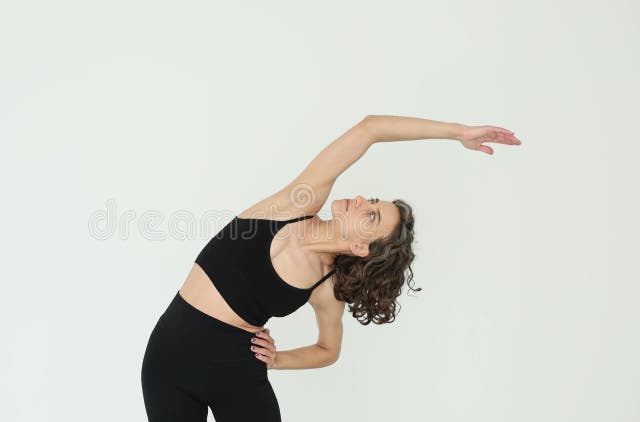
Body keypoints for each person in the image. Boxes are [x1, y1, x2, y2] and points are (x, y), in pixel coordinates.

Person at [140, 114, 521, 421]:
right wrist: (458, 133)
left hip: (236, 373)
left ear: (359, 247)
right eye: (372, 200)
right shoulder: (293, 204)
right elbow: (370, 128)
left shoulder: (326, 287)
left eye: (370, 215)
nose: (359, 200)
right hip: (169, 357)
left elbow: (328, 349)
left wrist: (278, 360)